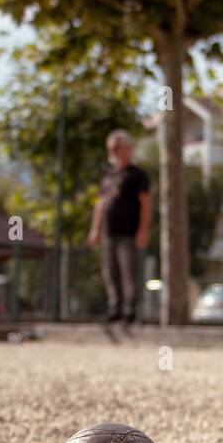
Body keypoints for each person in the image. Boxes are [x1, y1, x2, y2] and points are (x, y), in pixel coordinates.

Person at [88, 130, 151, 324]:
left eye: (117, 147)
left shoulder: (138, 175)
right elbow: (100, 204)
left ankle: (130, 311)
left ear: (128, 148)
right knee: (110, 273)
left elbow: (146, 203)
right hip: (109, 232)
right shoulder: (108, 174)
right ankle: (115, 309)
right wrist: (95, 229)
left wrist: (143, 229)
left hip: (129, 233)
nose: (113, 151)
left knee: (128, 273)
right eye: (111, 148)